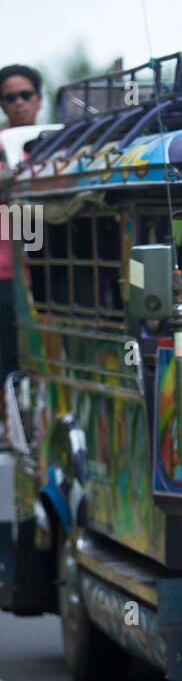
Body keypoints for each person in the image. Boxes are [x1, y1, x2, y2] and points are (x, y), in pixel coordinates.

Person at [0, 64, 43, 442]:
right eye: (9, 98)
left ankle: (36, 425)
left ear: (39, 99)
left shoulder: (57, 145)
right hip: (4, 274)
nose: (19, 104)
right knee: (6, 355)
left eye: (25, 95)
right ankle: (10, 429)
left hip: (44, 272)